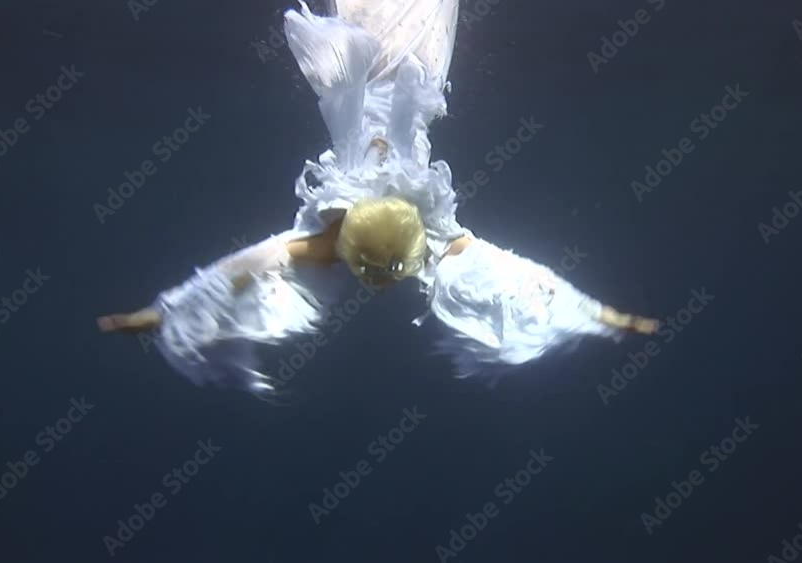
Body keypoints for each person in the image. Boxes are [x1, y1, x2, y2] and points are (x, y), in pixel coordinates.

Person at [97, 0, 659, 397]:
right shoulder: (378, 241)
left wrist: (607, 317)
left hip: (407, 66)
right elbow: (527, 281)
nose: (383, 288)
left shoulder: (337, 243)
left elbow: (226, 279)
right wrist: (604, 317)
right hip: (382, 65)